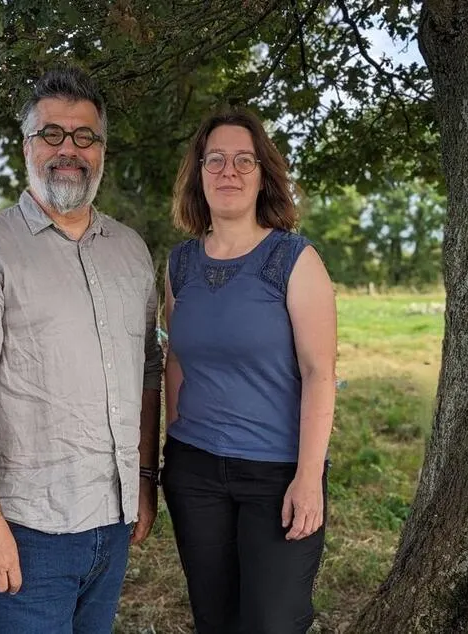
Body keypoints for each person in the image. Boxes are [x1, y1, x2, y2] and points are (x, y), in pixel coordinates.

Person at [0, 67, 164, 634]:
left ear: (102, 149)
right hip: (30, 529)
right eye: (51, 134)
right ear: (26, 145)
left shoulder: (131, 252)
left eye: (85, 136)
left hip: (115, 519)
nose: (68, 150)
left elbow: (148, 374)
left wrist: (145, 480)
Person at [160, 109, 337, 634]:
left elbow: (319, 372)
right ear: (199, 172)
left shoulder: (293, 258)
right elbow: (176, 360)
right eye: (216, 159)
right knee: (215, 620)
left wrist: (309, 477)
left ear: (263, 176)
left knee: (272, 622)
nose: (229, 171)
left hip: (276, 474)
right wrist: (174, 441)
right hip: (195, 472)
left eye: (245, 160)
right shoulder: (180, 265)